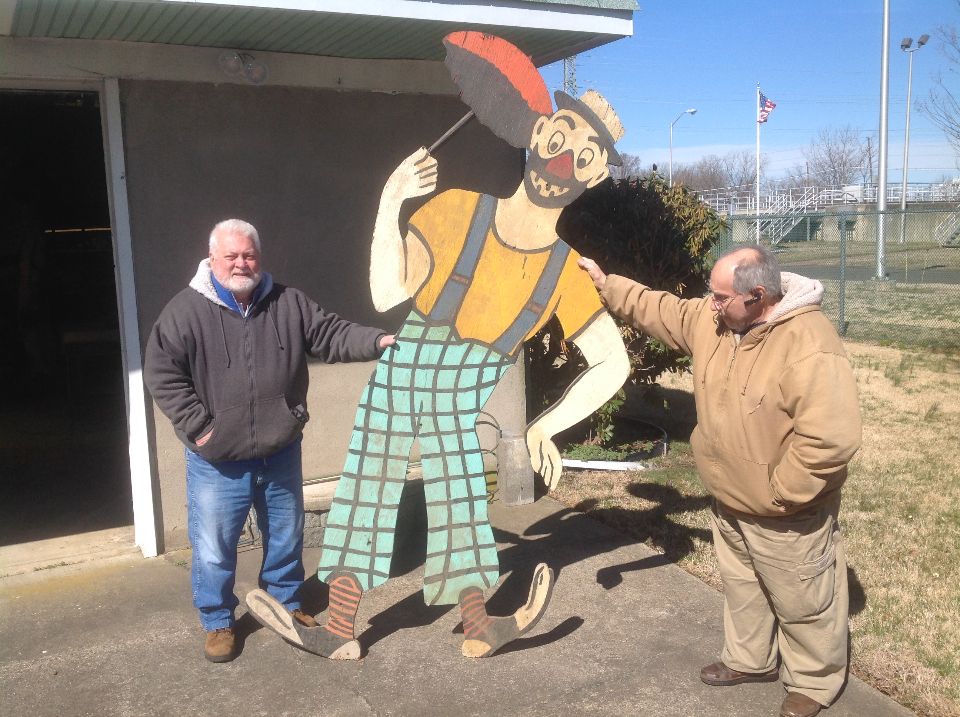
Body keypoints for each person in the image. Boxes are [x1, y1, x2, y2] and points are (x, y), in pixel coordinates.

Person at [246, 90, 631, 660]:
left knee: (461, 505)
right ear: (538, 131)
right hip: (400, 379)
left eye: (585, 153)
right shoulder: (456, 209)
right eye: (562, 136)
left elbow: (614, 362)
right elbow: (385, 293)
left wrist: (544, 427)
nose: (563, 159)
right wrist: (390, 200)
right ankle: (340, 629)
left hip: (458, 400)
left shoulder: (563, 271)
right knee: (366, 496)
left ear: (595, 174)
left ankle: (478, 626)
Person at [578, 246, 861, 717]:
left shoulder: (810, 344)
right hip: (729, 499)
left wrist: (780, 492)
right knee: (743, 587)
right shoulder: (717, 321)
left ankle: (813, 682)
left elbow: (831, 439)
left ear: (757, 295)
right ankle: (751, 660)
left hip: (785, 511)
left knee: (803, 600)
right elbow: (663, 309)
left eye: (720, 296)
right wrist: (609, 285)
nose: (710, 303)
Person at [144, 218, 394, 663]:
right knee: (214, 546)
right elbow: (162, 374)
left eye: (249, 255)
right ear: (212, 259)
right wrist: (202, 428)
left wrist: (380, 339)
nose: (241, 263)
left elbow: (332, 336)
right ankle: (219, 621)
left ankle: (286, 603)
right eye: (231, 256)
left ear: (258, 258)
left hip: (279, 450)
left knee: (285, 536)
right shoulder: (185, 311)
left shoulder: (288, 303)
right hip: (217, 459)